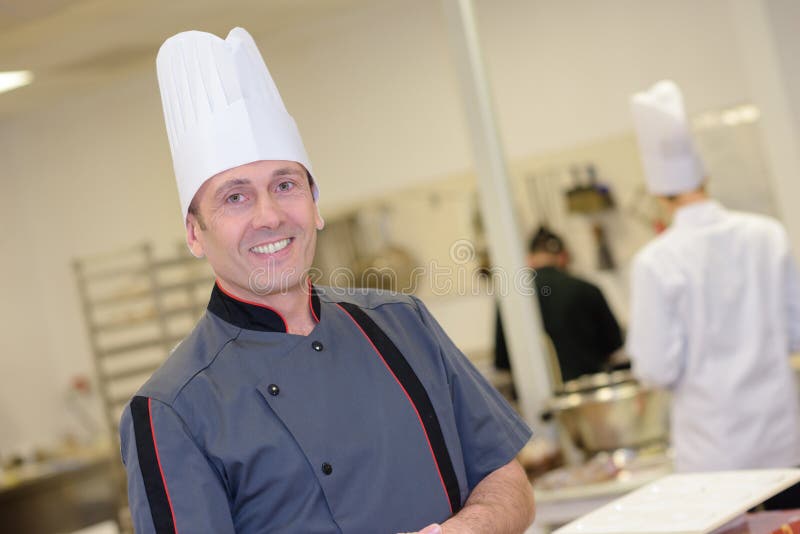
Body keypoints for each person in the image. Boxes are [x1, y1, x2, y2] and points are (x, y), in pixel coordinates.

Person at [118, 28, 535, 534]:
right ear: (194, 233)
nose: (269, 216)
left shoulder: (402, 322)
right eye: (235, 197)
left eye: (285, 185)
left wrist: (464, 531)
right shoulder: (172, 411)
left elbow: (504, 477)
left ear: (315, 204)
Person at [626, 81, 800, 485]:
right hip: (783, 442)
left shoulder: (656, 260)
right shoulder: (767, 234)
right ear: (705, 175)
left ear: (656, 192)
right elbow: (796, 330)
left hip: (714, 456)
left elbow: (654, 369)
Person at [495, 226, 624, 384]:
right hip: (589, 388)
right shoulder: (587, 289)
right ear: (563, 257)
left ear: (529, 259)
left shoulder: (512, 299)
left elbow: (502, 360)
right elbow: (614, 344)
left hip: (536, 393)